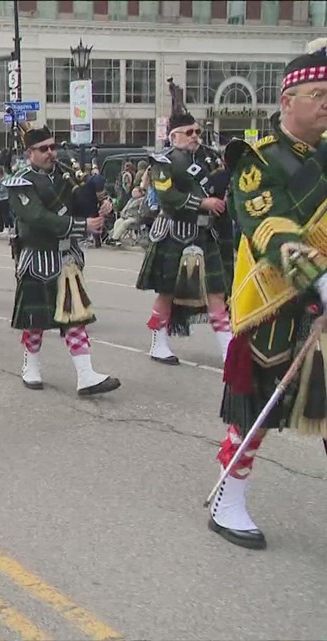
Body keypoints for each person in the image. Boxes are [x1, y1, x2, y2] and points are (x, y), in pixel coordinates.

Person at [210, 40, 327, 549]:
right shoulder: (257, 160)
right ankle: (228, 499)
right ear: (287, 101)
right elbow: (271, 228)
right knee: (253, 414)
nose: (326, 104)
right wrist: (320, 278)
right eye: (318, 95)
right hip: (274, 304)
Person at [5, 125, 120, 396]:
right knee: (35, 320)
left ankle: (86, 375)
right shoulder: (21, 182)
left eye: (53, 147)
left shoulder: (67, 175)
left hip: (67, 258)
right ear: (29, 153)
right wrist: (82, 225)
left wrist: (102, 205)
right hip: (38, 257)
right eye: (43, 149)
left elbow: (81, 204)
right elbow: (37, 217)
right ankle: (31, 366)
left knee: (75, 317)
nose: (51, 153)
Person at [136, 104, 233, 366]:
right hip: (174, 233)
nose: (195, 136)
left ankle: (229, 351)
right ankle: (158, 344)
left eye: (197, 131)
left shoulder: (206, 160)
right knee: (167, 293)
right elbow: (167, 197)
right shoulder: (162, 161)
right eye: (189, 132)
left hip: (204, 233)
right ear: (174, 136)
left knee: (217, 293)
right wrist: (203, 203)